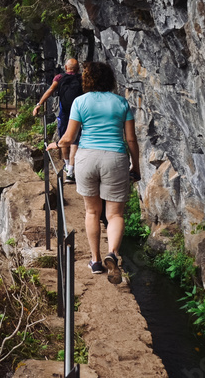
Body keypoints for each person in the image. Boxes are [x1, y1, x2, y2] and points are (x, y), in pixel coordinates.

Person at [59, 61, 141, 284]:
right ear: (109, 79)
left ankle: (95, 261)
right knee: (114, 214)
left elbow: (70, 136)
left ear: (87, 79)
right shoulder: (121, 103)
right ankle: (112, 253)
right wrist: (136, 166)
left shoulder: (80, 102)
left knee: (92, 211)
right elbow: (131, 140)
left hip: (87, 157)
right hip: (115, 157)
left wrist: (55, 144)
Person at [33, 58, 82, 182]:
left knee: (64, 137)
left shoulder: (59, 78)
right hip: (80, 113)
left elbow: (50, 91)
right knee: (75, 141)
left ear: (66, 68)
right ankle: (71, 170)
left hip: (65, 113)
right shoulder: (82, 79)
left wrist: (39, 104)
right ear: (78, 69)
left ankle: (66, 165)